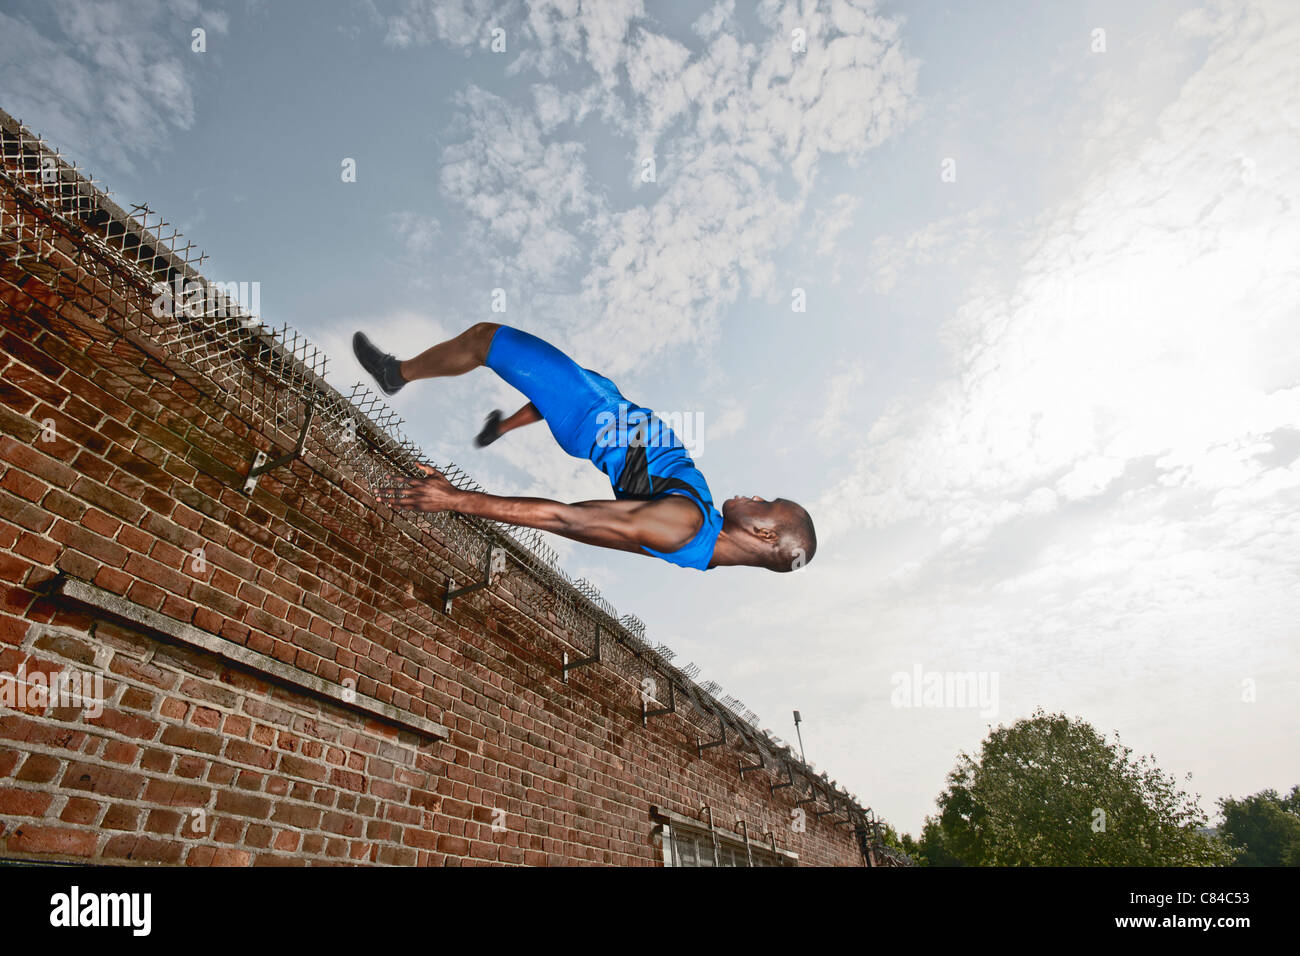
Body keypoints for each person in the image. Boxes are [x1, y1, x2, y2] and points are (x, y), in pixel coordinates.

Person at [353, 323, 815, 572]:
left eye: (767, 504)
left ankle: (397, 374)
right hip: (606, 414)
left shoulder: (685, 525)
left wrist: (456, 501)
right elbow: (611, 519)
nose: (756, 496)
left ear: (765, 536)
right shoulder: (701, 546)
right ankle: (505, 426)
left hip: (593, 417)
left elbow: (566, 518)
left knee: (484, 339)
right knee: (577, 380)